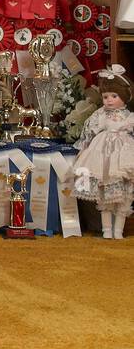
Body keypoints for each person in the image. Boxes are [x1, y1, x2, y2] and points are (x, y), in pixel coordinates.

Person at [74, 67, 134, 239]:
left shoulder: (129, 116)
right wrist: (83, 149)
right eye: (106, 96)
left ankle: (118, 230)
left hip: (123, 157)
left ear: (125, 96)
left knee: (123, 193)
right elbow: (89, 132)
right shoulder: (100, 115)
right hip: (102, 157)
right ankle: (107, 230)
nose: (109, 101)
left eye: (114, 96)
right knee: (104, 192)